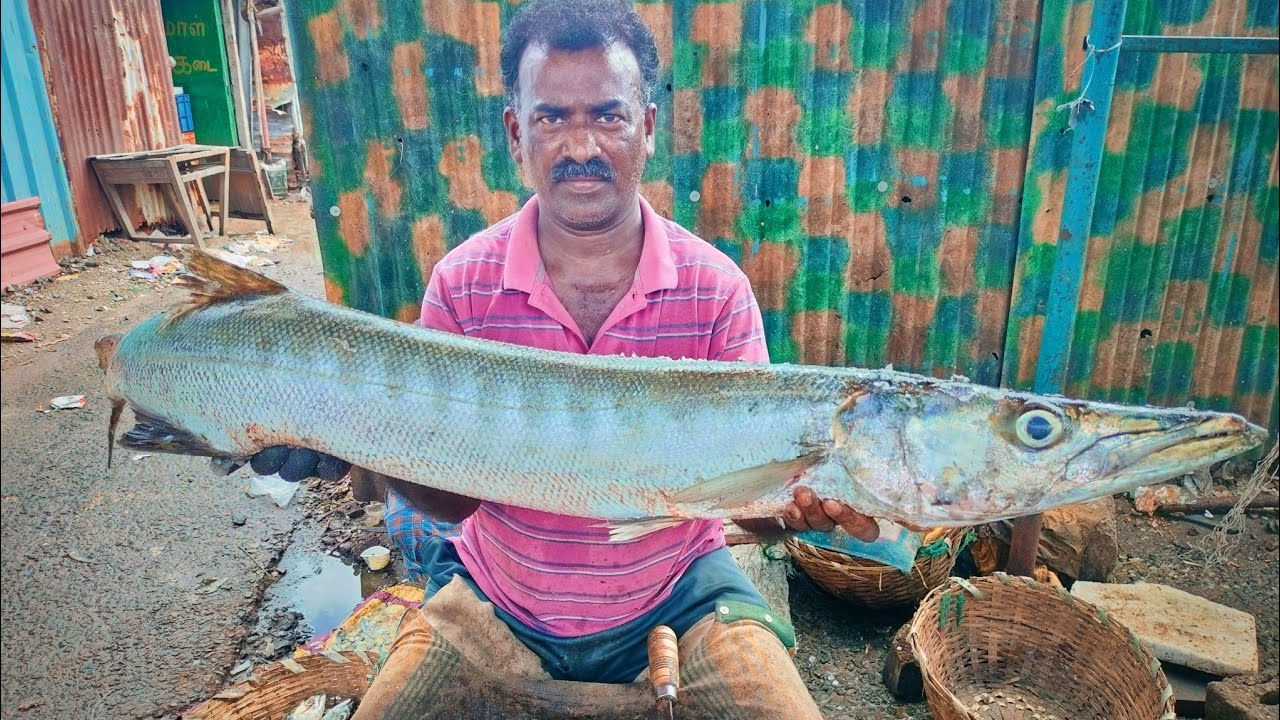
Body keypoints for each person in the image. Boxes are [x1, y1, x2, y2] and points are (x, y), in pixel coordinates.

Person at [249, 1, 880, 716]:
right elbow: (452, 500)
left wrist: (796, 507)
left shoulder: (716, 290)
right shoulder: (462, 283)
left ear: (647, 125)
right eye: (552, 118)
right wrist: (360, 443)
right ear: (517, 134)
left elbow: (749, 509)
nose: (581, 144)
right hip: (500, 598)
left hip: (683, 595)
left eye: (608, 116)